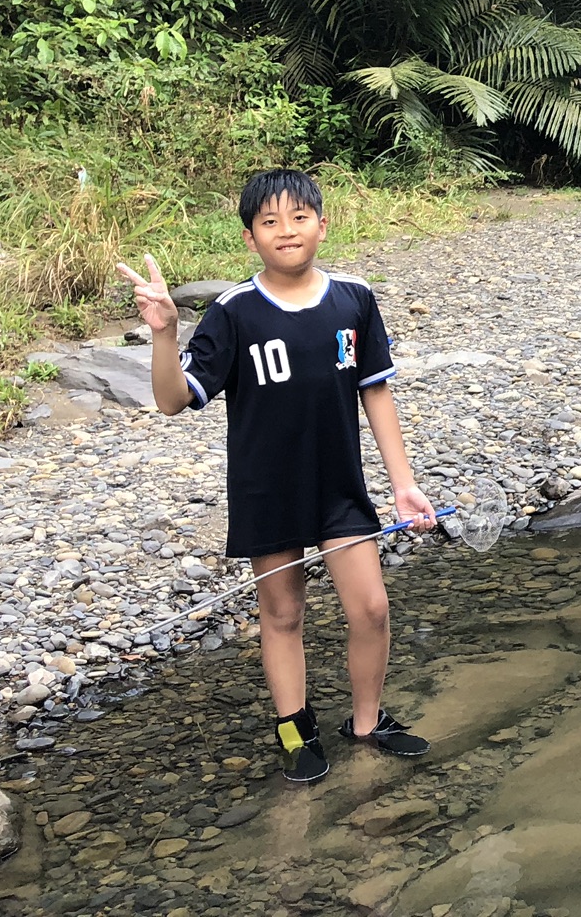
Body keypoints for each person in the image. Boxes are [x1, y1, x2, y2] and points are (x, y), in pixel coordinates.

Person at [118, 168, 437, 784]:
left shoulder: (354, 298)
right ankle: (295, 729)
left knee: (371, 608)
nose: (286, 231)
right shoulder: (234, 311)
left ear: (322, 225)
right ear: (250, 238)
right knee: (282, 614)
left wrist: (403, 482)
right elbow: (173, 399)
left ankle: (367, 722)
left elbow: (375, 391)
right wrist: (165, 334)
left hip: (340, 487)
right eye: (269, 222)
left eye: (298, 217)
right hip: (267, 491)